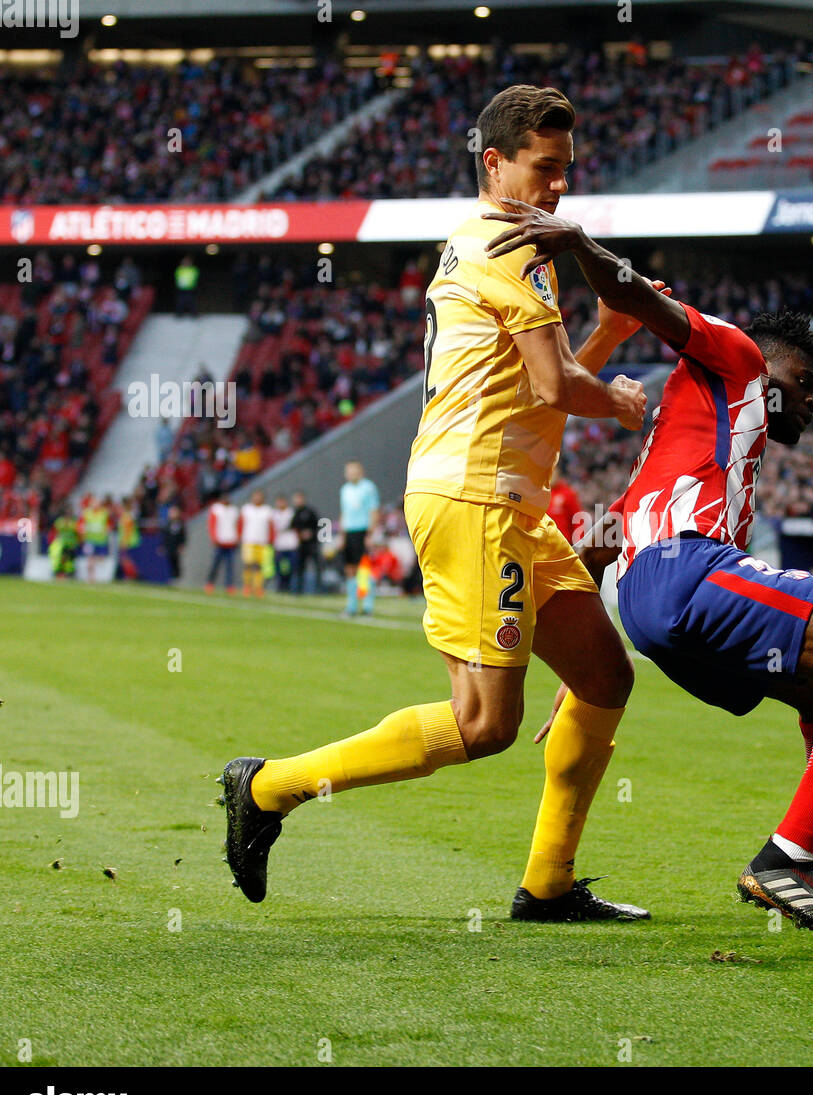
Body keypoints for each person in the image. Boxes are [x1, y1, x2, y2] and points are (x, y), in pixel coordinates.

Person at [217, 85, 650, 923]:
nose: (560, 187)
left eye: (568, 170)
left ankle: (549, 884)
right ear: (497, 163)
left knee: (602, 675)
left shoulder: (478, 241)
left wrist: (607, 337)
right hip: (475, 496)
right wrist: (626, 399)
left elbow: (538, 391)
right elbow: (561, 386)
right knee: (485, 723)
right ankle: (268, 788)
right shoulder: (514, 247)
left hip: (509, 501)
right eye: (546, 168)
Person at [485, 201, 813, 938]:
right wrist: (580, 242)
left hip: (651, 605)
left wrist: (576, 659)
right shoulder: (736, 354)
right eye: (805, 384)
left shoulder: (690, 446)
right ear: (773, 365)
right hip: (684, 573)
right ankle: (785, 859)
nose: (809, 403)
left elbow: (603, 544)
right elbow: (638, 296)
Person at [338, 462, 379, 616]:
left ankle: (367, 606)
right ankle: (351, 606)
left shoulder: (368, 487)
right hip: (349, 531)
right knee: (350, 569)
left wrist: (370, 534)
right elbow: (343, 512)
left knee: (365, 569)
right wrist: (342, 535)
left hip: (363, 530)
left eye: (354, 471)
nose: (351, 474)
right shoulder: (345, 489)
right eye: (348, 471)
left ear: (361, 471)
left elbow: (373, 510)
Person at [239, 489, 273, 598]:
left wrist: (271, 539)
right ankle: (247, 586)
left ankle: (258, 587)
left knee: (259, 566)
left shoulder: (267, 510)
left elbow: (271, 526)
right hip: (249, 541)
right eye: (255, 496)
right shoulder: (246, 509)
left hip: (262, 541)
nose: (257, 498)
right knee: (248, 564)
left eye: (259, 496)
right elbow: (240, 524)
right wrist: (239, 537)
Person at [205, 491, 240, 593]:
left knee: (230, 566)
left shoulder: (234, 510)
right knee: (215, 565)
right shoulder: (216, 509)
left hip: (231, 542)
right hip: (219, 542)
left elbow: (237, 525)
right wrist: (214, 538)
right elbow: (211, 524)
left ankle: (229, 586)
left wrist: (237, 538)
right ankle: (210, 583)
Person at [290, 491, 320, 594]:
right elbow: (291, 527)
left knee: (317, 566)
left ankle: (318, 590)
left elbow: (319, 525)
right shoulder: (294, 513)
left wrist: (311, 533)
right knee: (299, 568)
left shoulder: (310, 512)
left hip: (311, 544)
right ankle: (298, 590)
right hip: (300, 545)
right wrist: (298, 535)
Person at [272, 495, 299, 593]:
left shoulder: (291, 513)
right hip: (279, 544)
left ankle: (290, 587)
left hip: (291, 543)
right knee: (279, 567)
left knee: (292, 567)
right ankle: (281, 586)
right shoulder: (274, 513)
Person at [162, 507, 186, 583]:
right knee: (169, 562)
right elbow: (165, 536)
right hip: (169, 546)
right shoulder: (168, 524)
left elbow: (183, 536)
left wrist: (181, 545)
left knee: (176, 562)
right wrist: (163, 545)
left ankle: (176, 578)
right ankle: (170, 578)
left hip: (176, 546)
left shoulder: (180, 524)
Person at [174, 255, 199, 319]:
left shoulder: (193, 269)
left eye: (187, 262)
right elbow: (177, 277)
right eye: (185, 262)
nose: (186, 263)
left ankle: (194, 314)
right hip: (181, 289)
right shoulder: (179, 269)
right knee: (180, 301)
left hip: (191, 288)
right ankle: (179, 314)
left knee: (191, 301)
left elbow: (195, 277)